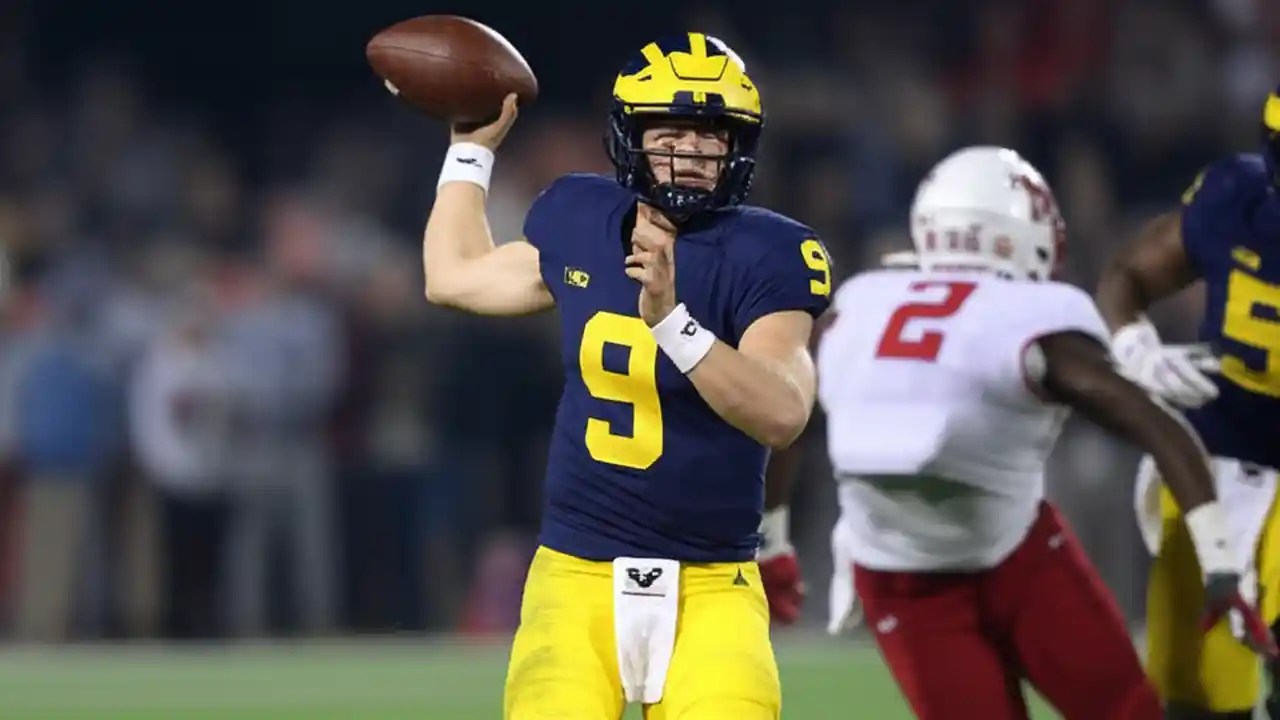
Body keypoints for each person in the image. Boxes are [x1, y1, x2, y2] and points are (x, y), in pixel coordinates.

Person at [422, 32, 831, 719]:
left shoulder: (771, 253)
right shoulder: (581, 220)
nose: (693, 150)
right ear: (630, 138)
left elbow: (783, 410)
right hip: (575, 574)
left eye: (712, 133)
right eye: (672, 131)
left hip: (712, 582)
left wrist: (673, 323)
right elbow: (453, 275)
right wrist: (470, 150)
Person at [819, 146, 1272, 720]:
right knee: (1128, 711)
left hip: (931, 561)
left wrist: (804, 526)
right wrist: (1221, 562)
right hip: (984, 560)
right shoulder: (1038, 322)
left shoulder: (853, 309)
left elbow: (787, 415)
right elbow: (1162, 429)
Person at [1096, 86, 1280, 720]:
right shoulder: (1234, 199)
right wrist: (1137, 348)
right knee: (1195, 697)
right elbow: (1127, 275)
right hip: (1214, 461)